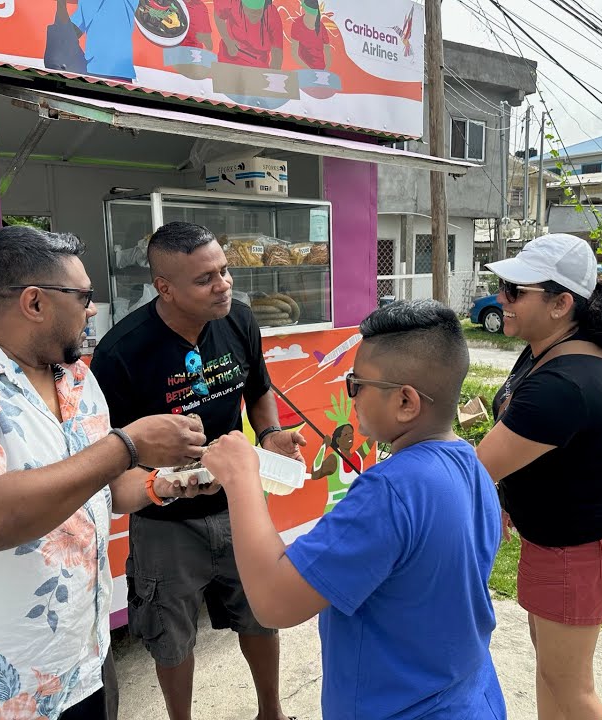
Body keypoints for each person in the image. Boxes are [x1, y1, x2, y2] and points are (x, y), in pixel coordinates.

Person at [0, 225, 213, 720]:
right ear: (34, 302)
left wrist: (170, 482)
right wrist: (127, 444)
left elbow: (102, 489)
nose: (93, 310)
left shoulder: (75, 375)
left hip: (82, 665)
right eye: (84, 297)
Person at [201, 299, 508, 720]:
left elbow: (274, 601)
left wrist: (240, 478)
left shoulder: (389, 492)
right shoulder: (470, 463)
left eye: (356, 383)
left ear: (406, 402)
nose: (350, 394)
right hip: (472, 700)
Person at [90, 221, 304, 720]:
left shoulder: (239, 321)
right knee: (171, 634)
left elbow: (258, 392)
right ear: (164, 287)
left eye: (225, 271)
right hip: (164, 522)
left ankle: (270, 713)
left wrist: (270, 434)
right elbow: (110, 453)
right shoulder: (121, 353)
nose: (224, 284)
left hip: (239, 504)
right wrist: (161, 477)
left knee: (260, 613)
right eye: (206, 278)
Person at [476, 233, 602, 720]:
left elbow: (479, 467)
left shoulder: (564, 383)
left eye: (514, 290)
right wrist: (509, 498)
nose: (500, 298)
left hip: (580, 548)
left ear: (560, 303)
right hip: (560, 538)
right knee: (551, 668)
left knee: (570, 687)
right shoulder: (549, 347)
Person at [309, 422, 370, 513]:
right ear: (338, 440)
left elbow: (372, 438)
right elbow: (315, 473)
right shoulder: (334, 459)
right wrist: (324, 447)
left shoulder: (358, 456)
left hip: (353, 510)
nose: (350, 436)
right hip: (335, 511)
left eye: (351, 434)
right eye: (345, 434)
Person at [215, 0, 285, 69]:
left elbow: (277, 53)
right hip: (229, 61)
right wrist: (228, 41)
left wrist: (272, 76)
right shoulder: (231, 2)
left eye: (257, 12)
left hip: (258, 68)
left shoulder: (272, 14)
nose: (253, 16)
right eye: (250, 12)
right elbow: (218, 15)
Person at [288, 0, 330, 70]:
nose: (312, 19)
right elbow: (294, 53)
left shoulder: (322, 27)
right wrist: (309, 70)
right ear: (305, 10)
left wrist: (325, 70)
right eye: (310, 16)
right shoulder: (297, 24)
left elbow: (328, 54)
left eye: (314, 16)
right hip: (304, 70)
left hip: (321, 71)